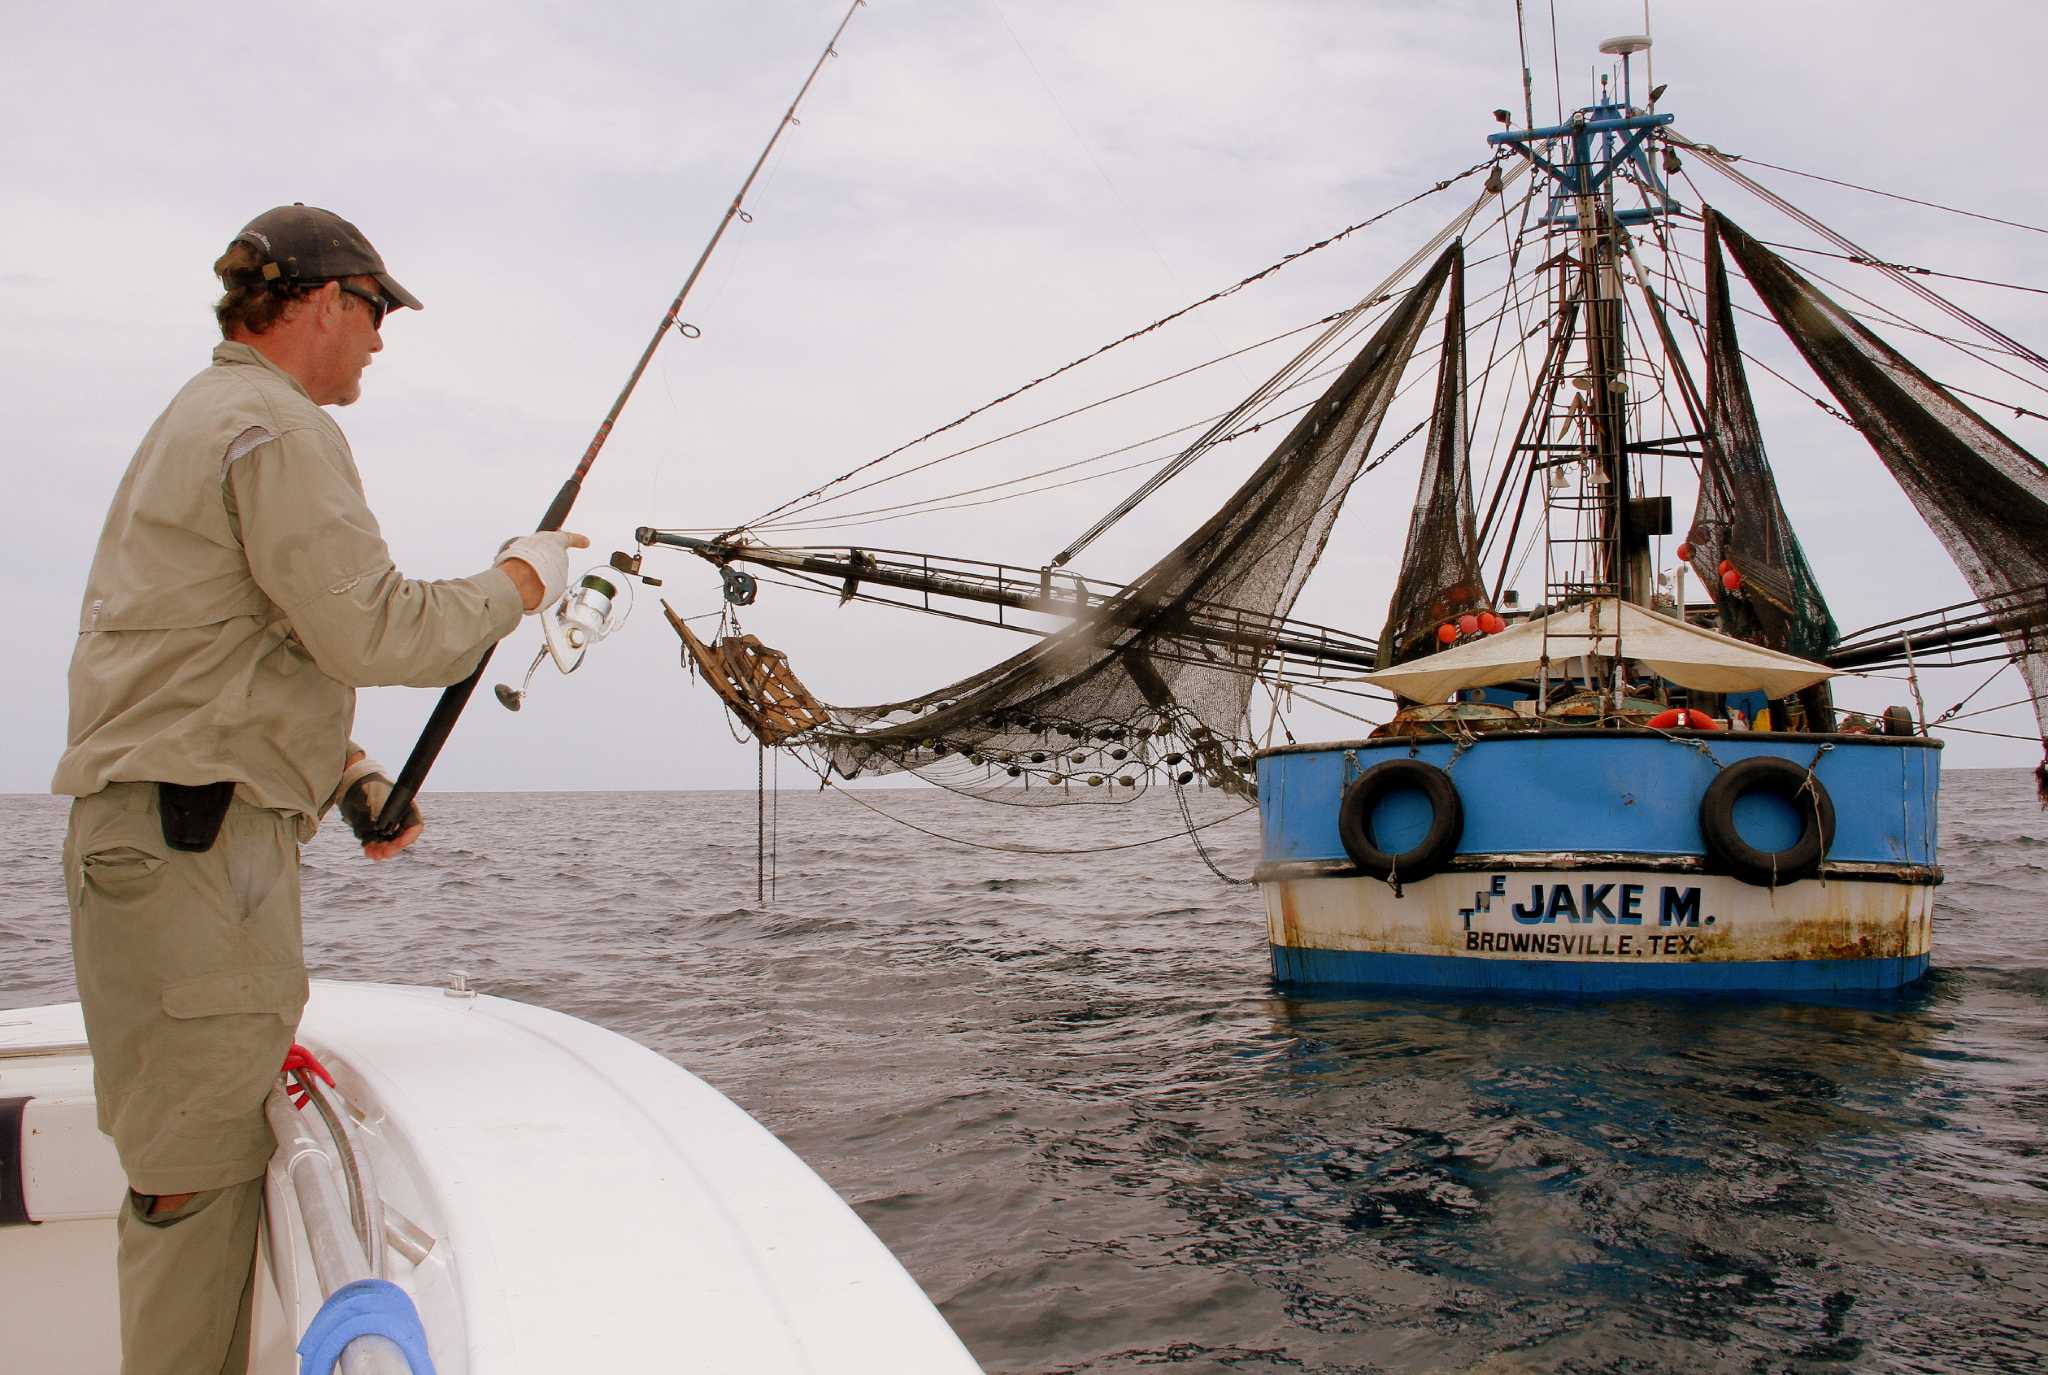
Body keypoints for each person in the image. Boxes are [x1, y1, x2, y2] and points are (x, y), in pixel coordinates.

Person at [52, 203, 586, 1374]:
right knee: (192, 1187)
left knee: (191, 1173)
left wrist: (349, 775)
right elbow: (374, 627)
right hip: (193, 853)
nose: (383, 341)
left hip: (180, 844)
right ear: (323, 302)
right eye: (378, 311)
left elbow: (233, 646)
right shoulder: (271, 424)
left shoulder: (203, 418)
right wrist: (520, 581)